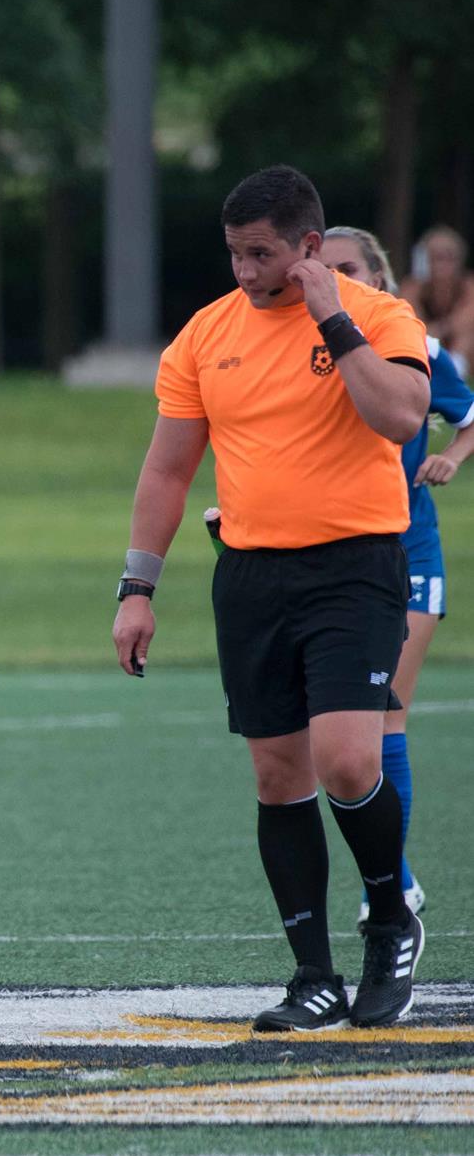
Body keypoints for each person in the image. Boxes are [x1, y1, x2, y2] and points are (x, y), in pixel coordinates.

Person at [113, 166, 432, 1031]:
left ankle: (390, 924)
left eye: (262, 254)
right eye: (235, 254)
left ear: (309, 246)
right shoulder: (205, 334)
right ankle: (313, 977)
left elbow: (402, 418)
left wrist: (334, 318)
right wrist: (137, 589)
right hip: (252, 576)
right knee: (277, 774)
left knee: (348, 762)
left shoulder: (378, 316)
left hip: (356, 567)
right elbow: (168, 471)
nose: (246, 272)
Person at [321, 227, 474, 923]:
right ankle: (395, 881)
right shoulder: (301, 352)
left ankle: (386, 886)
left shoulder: (417, 345)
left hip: (409, 555)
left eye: (349, 269)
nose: (334, 281)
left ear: (378, 278)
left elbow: (468, 416)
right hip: (335, 559)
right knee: (332, 736)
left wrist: (452, 458)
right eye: (323, 270)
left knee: (386, 717)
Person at [401, 227, 474, 369]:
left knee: (467, 334)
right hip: (426, 344)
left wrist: (440, 329)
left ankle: (456, 369)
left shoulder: (468, 285)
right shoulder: (413, 287)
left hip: (460, 347)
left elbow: (468, 318)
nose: (443, 264)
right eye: (437, 257)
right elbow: (409, 321)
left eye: (449, 257)